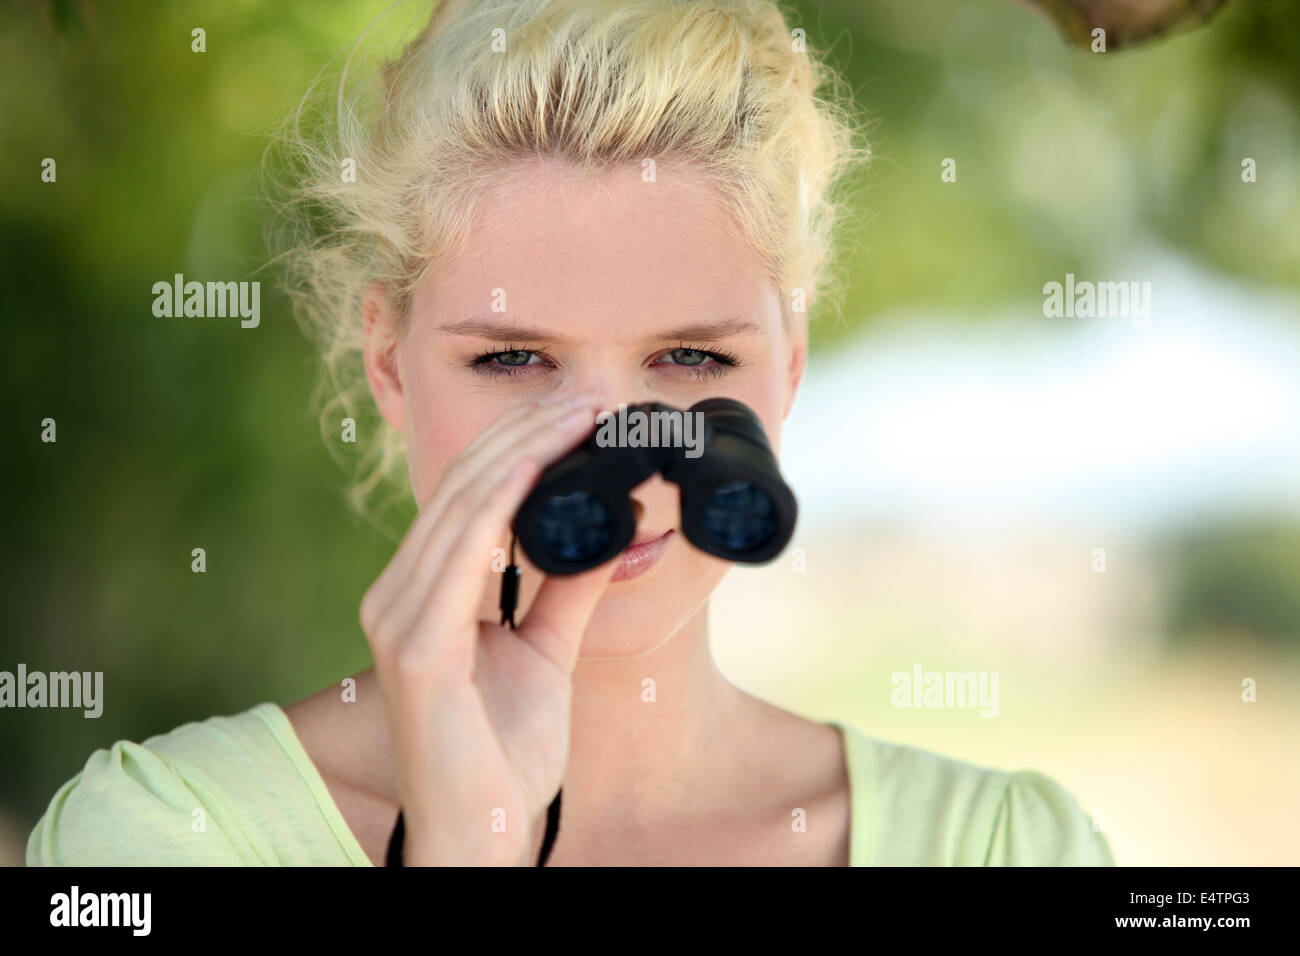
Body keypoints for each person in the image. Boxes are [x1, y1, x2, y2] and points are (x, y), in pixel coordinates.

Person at [27, 0, 1113, 867]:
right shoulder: (167, 837)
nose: (612, 456)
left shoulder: (1004, 848)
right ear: (389, 362)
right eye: (513, 359)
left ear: (788, 369)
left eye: (689, 359)